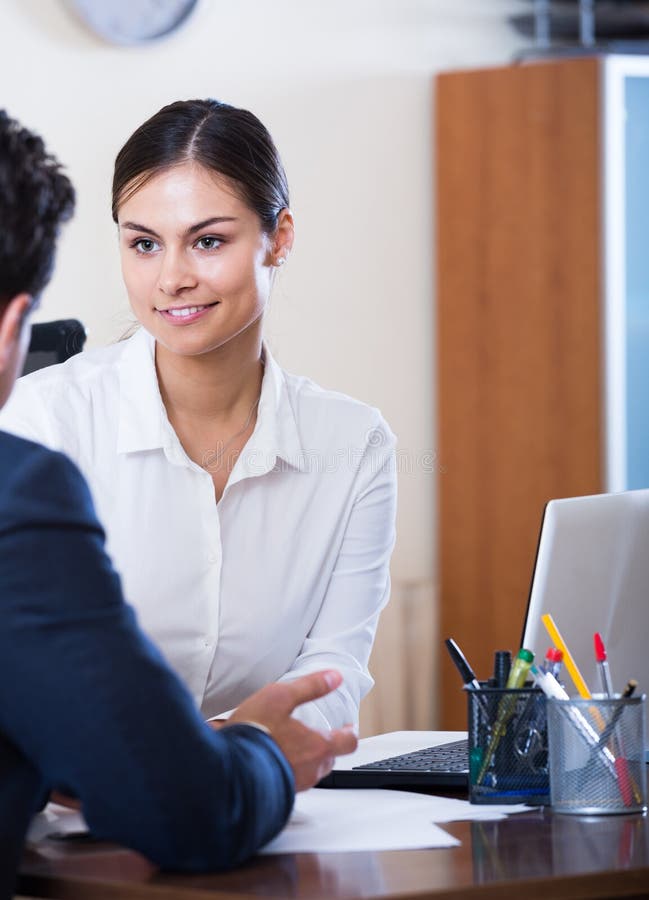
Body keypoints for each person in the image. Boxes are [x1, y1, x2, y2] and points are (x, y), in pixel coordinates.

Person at [0, 109, 357, 897]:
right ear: (14, 329)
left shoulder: (353, 439)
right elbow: (181, 806)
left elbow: (336, 665)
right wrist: (233, 754)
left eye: (208, 239)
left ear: (278, 237)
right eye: (142, 243)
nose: (171, 278)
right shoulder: (27, 466)